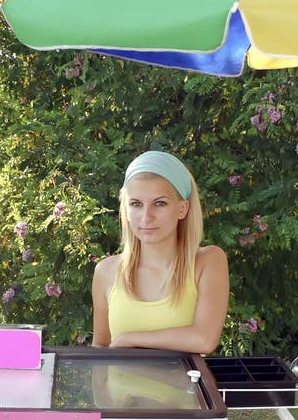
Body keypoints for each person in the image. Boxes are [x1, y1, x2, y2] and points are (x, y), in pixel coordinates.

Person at [91, 150, 229, 354]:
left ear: (183, 209)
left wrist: (129, 339)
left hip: (183, 387)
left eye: (160, 203)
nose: (146, 217)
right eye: (136, 204)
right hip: (116, 386)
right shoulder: (106, 271)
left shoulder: (208, 261)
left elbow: (204, 339)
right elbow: (100, 349)